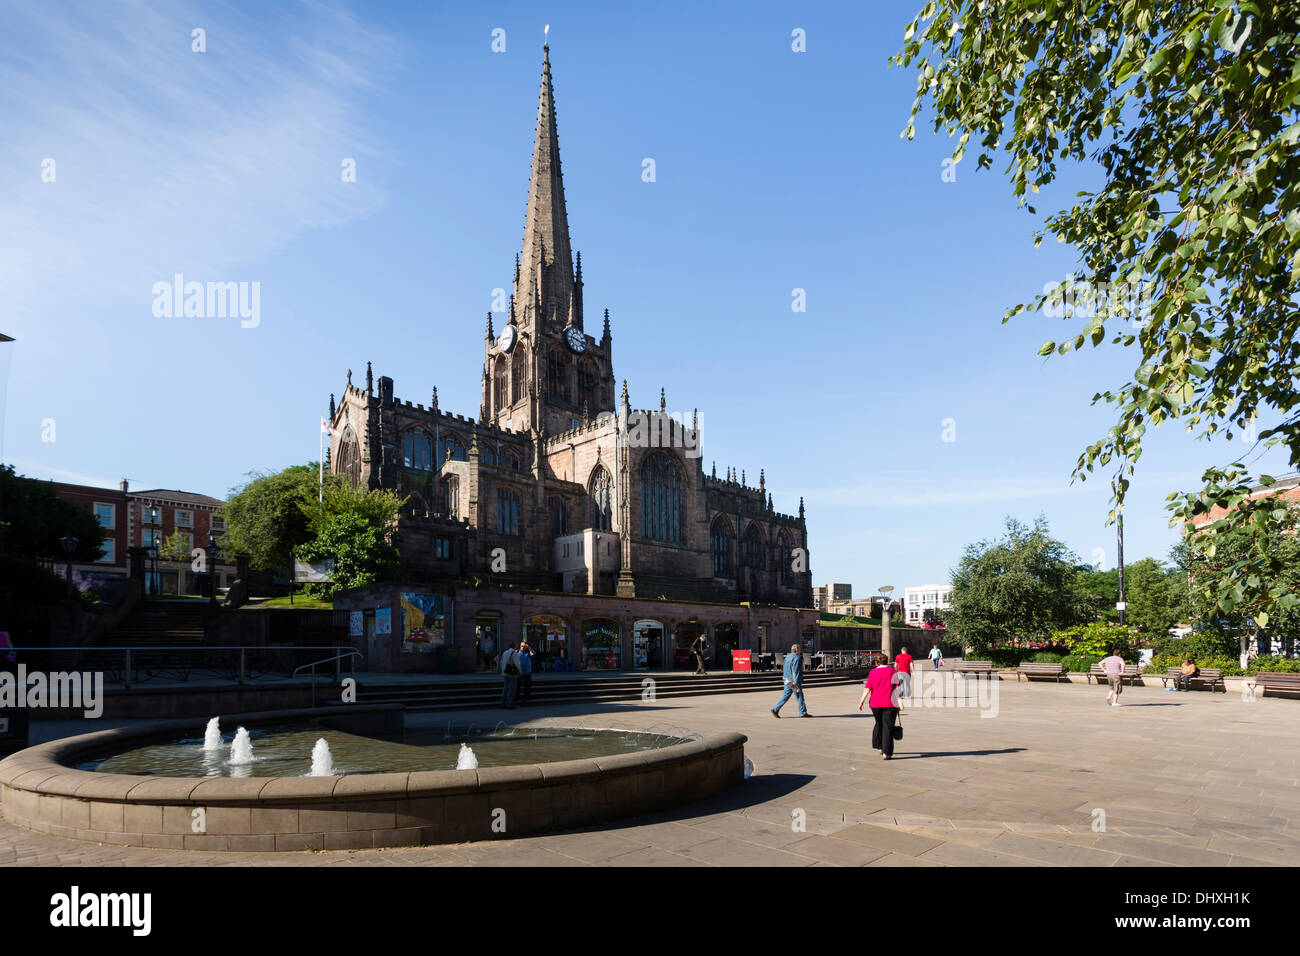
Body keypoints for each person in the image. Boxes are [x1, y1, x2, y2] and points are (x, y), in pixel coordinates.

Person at [858, 653, 900, 759]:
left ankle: (879, 746)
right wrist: (899, 700)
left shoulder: (873, 672)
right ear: (887, 661)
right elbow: (897, 688)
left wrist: (861, 701)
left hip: (875, 704)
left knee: (879, 723)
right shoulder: (892, 671)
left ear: (876, 662)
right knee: (888, 727)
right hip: (890, 703)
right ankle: (887, 752)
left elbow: (867, 688)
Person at [771, 642, 811, 717]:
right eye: (800, 649)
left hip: (786, 680)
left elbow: (785, 668)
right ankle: (802, 713)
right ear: (797, 650)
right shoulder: (797, 658)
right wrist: (795, 683)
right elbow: (796, 671)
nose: (800, 651)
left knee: (785, 696)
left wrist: (784, 678)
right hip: (793, 681)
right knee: (799, 696)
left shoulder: (787, 657)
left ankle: (775, 709)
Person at [499, 641, 520, 709]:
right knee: (511, 690)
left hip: (505, 673)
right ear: (514, 647)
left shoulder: (505, 652)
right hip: (512, 674)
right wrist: (520, 672)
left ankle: (502, 703)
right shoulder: (514, 653)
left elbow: (501, 662)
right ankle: (509, 704)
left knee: (505, 688)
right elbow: (517, 664)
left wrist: (503, 671)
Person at [517, 637, 534, 702]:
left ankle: (526, 697)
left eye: (524, 646)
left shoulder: (528, 652)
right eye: (521, 646)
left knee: (527, 686)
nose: (523, 647)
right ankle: (516, 697)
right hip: (519, 672)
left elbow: (533, 653)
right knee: (517, 686)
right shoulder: (517, 652)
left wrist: (529, 647)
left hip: (527, 672)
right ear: (520, 646)